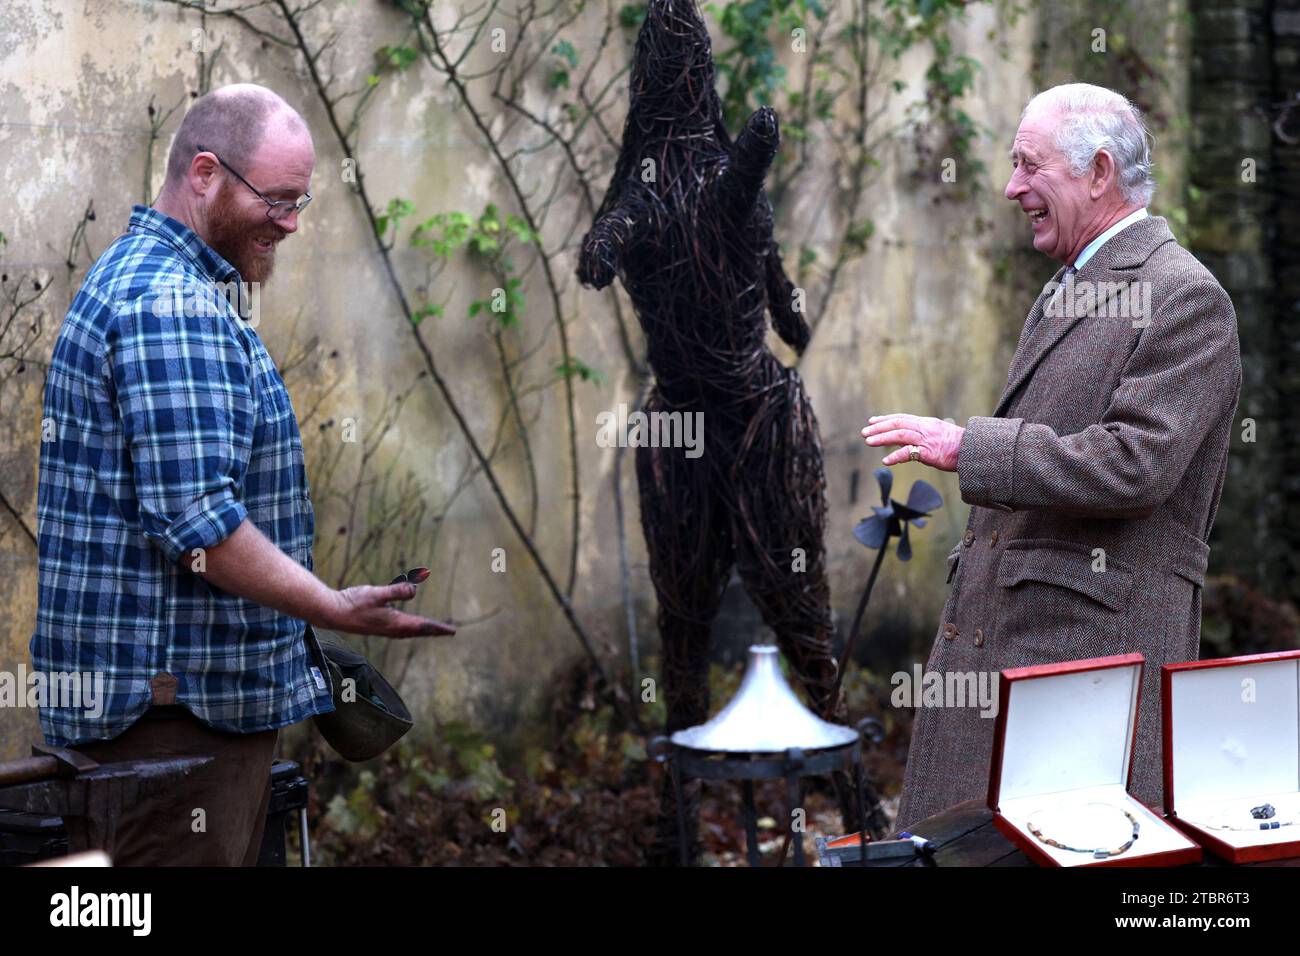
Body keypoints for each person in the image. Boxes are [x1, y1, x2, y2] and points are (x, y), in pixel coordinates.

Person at [29, 83, 455, 865]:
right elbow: (199, 526)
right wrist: (329, 605)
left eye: (303, 201)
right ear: (203, 174)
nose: (292, 223)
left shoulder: (153, 282)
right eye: (278, 198)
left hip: (168, 722)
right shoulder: (172, 306)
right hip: (170, 727)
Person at [861, 83, 1241, 831]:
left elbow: (1136, 463)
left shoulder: (1186, 296)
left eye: (1028, 166)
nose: (1011, 188)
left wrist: (971, 447)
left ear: (1098, 172)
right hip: (1016, 659)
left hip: (1084, 675)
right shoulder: (1074, 284)